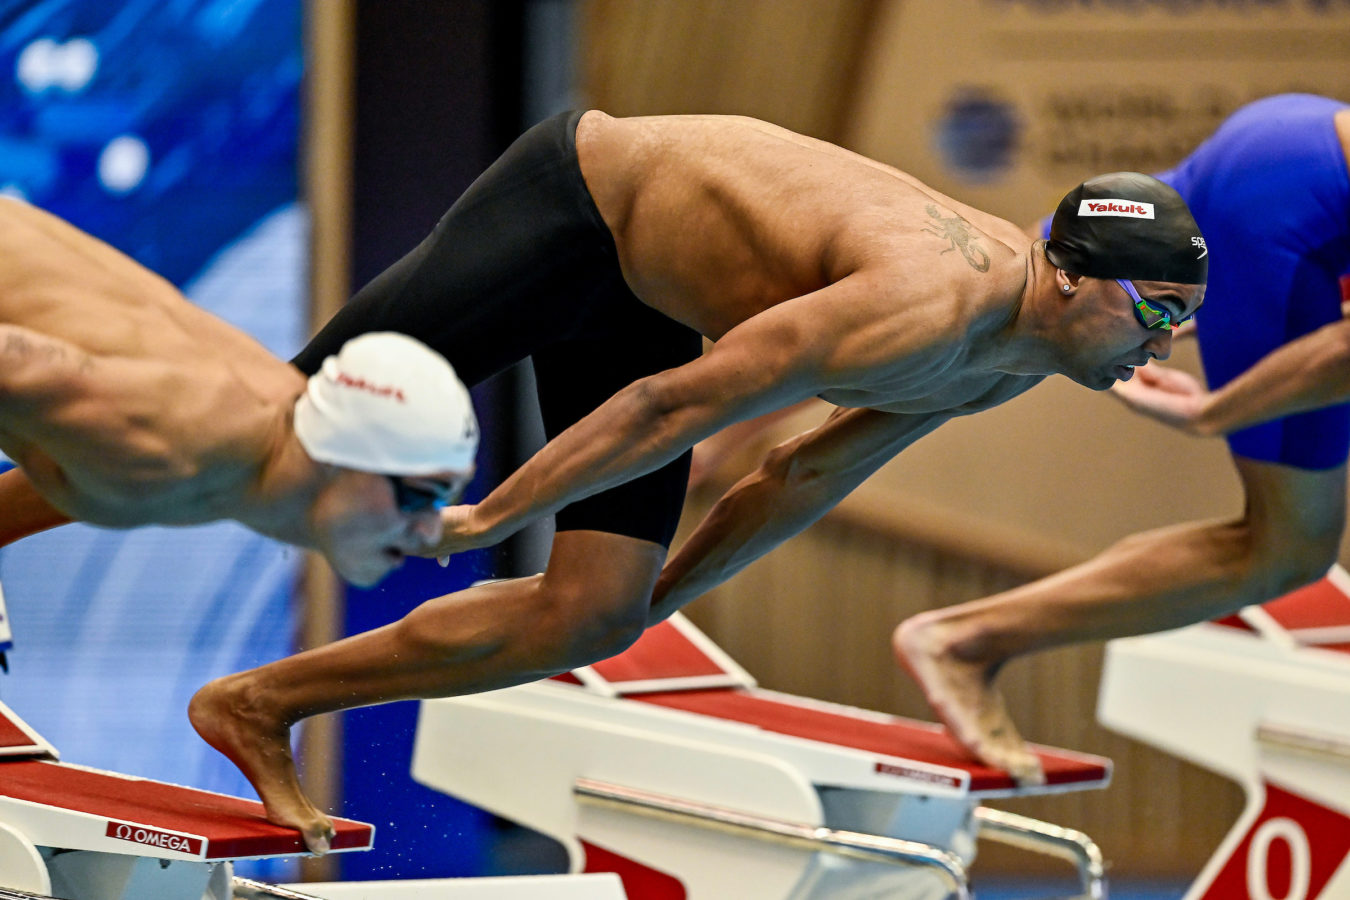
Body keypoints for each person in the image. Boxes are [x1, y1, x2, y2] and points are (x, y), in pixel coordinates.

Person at [184, 108, 1205, 852]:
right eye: (1157, 309)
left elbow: (801, 474)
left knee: (592, 617)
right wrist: (489, 518)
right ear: (1070, 274)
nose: (1164, 344)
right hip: (574, 215)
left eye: (1184, 320)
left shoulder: (1005, 365)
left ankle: (259, 703)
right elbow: (666, 409)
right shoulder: (929, 303)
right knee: (260, 435)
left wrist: (662, 598)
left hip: (644, 297)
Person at [892, 93, 1350, 784]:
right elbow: (1342, 351)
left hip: (1283, 135)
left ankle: (747, 418)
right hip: (1286, 226)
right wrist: (1214, 413)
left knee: (988, 307)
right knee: (1287, 548)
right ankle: (963, 643)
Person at [0, 195, 479, 589]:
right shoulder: (171, 442)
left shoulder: (265, 421)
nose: (430, 530)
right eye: (420, 497)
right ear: (341, 451)